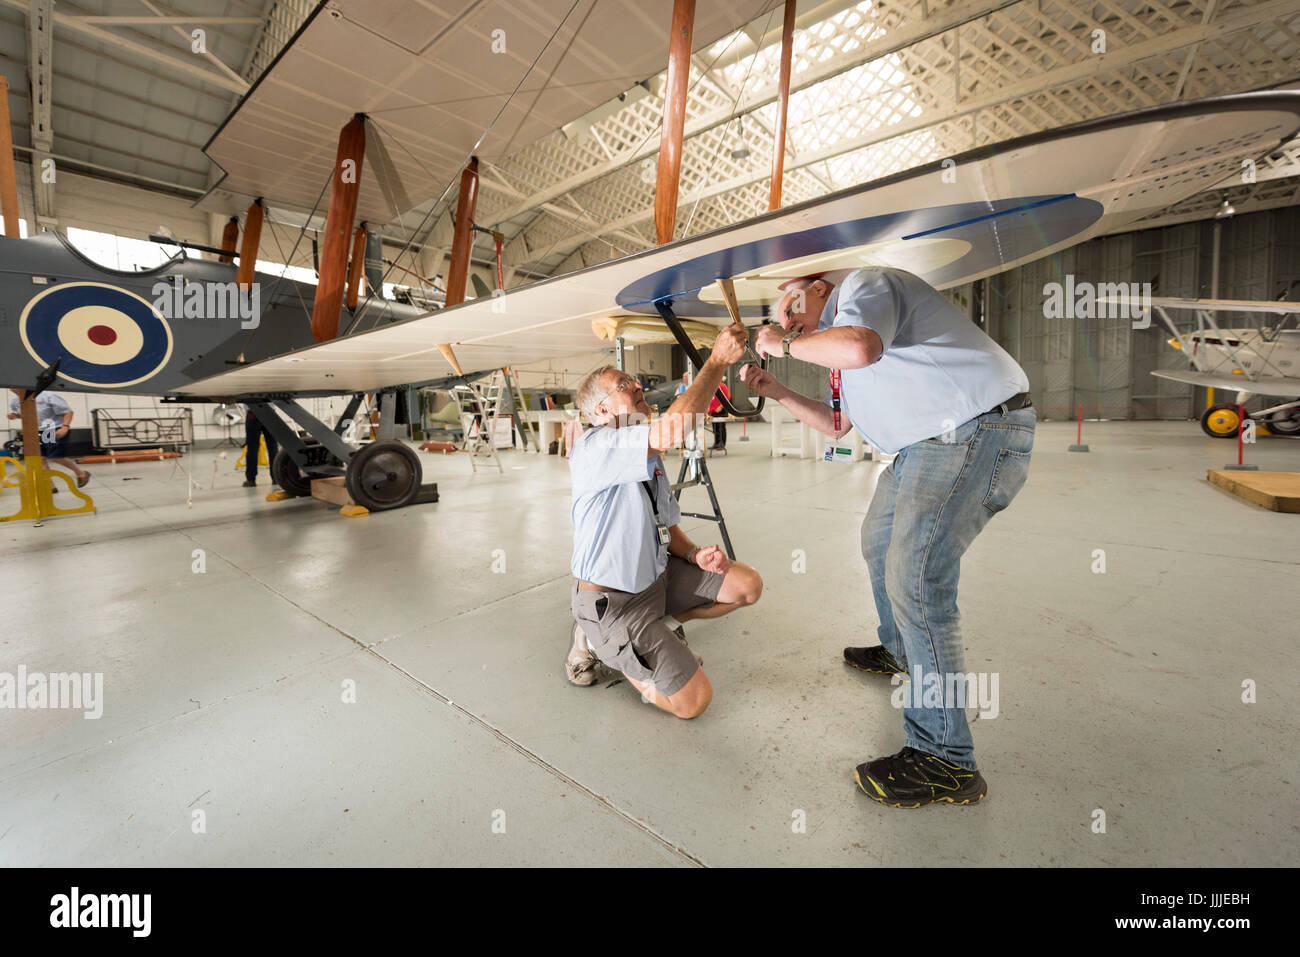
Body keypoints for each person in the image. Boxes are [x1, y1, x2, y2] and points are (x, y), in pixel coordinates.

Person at [739, 267, 1033, 808]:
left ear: (819, 288)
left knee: (916, 581)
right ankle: (901, 651)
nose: (788, 319)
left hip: (967, 431)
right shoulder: (844, 339)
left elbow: (858, 347)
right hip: (927, 445)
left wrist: (782, 342)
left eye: (792, 307)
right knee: (878, 541)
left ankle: (946, 760)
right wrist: (775, 389)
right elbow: (836, 427)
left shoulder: (864, 287)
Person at [566, 325, 762, 718]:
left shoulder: (644, 454)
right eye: (624, 384)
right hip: (615, 604)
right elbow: (673, 430)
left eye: (632, 379)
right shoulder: (597, 446)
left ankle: (653, 635)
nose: (636, 384)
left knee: (746, 585)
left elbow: (666, 527)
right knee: (692, 703)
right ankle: (611, 649)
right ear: (601, 412)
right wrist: (718, 361)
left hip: (656, 581)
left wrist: (694, 557)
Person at [7, 389, 91, 489]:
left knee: (55, 457)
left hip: (50, 429)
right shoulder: (15, 401)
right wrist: (15, 416)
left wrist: (65, 427)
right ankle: (50, 486)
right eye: (11, 388)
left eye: (16, 388)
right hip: (35, 431)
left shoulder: (47, 396)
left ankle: (81, 474)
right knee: (40, 459)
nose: (14, 390)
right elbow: (27, 415)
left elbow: (68, 412)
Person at [243, 405, 279, 487]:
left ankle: (251, 480)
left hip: (253, 412)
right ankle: (276, 478)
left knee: (252, 448)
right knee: (273, 447)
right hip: (270, 412)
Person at [708, 380, 731, 453]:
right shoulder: (711, 387)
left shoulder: (723, 386)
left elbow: (727, 397)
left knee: (721, 427)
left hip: (721, 410)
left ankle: (722, 443)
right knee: (715, 427)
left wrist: (720, 407)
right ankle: (716, 442)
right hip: (714, 410)